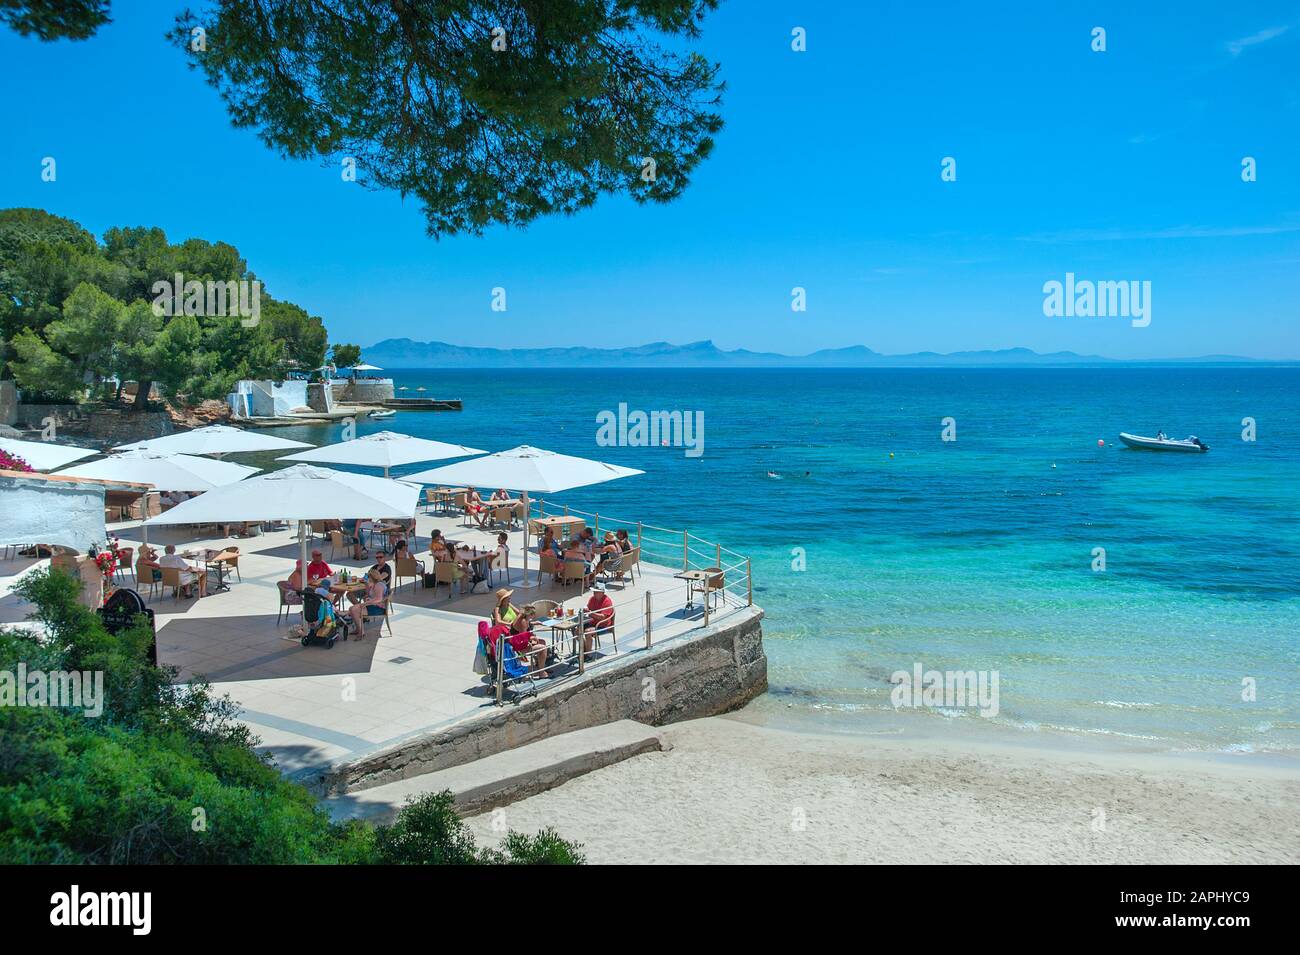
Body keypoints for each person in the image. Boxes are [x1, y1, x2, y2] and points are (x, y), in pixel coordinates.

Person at [348, 568, 388, 639]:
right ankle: (359, 629)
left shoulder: (379, 585)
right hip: (373, 605)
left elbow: (379, 599)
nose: (368, 578)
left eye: (369, 577)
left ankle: (361, 631)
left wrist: (365, 603)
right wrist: (367, 585)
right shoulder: (374, 584)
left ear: (373, 578)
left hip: (378, 608)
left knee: (354, 610)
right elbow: (369, 595)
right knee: (351, 609)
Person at [508, 605, 549, 671]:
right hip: (519, 648)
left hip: (516, 642)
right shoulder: (523, 622)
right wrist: (532, 639)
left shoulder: (523, 618)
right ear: (530, 614)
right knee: (543, 648)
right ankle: (542, 672)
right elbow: (524, 638)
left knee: (543, 642)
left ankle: (540, 665)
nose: (534, 615)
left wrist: (534, 623)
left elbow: (525, 628)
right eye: (533, 614)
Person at [583, 582, 615, 653]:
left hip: (603, 626)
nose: (594, 593)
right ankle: (585, 648)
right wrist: (585, 610)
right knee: (576, 630)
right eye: (594, 591)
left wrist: (590, 613)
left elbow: (602, 618)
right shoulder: (592, 599)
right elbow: (588, 607)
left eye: (597, 592)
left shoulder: (607, 601)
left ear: (602, 593)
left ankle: (588, 654)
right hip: (592, 622)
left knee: (587, 632)